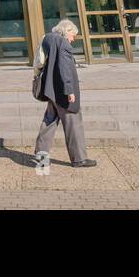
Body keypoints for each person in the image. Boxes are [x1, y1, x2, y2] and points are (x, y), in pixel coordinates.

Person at [33, 18, 96, 168]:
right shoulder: (63, 44)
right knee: (73, 122)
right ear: (67, 31)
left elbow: (38, 63)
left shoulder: (46, 39)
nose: (73, 39)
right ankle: (79, 159)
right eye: (73, 35)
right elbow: (65, 68)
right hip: (62, 91)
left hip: (51, 90)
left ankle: (41, 158)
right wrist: (69, 90)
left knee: (49, 123)